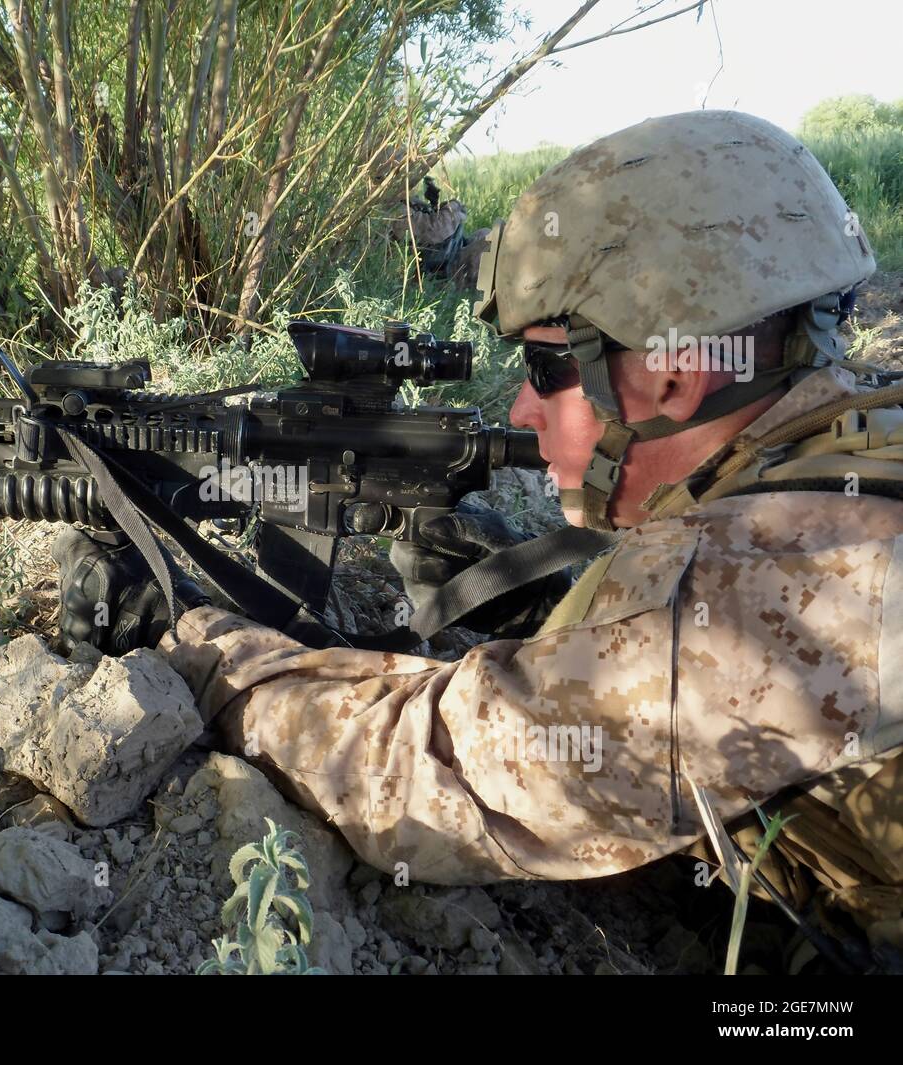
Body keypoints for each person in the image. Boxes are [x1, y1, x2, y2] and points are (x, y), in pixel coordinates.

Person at [54, 111, 903, 957]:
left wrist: (189, 636)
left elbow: (415, 773)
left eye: (546, 368)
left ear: (675, 370)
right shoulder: (865, 439)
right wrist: (538, 606)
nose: (521, 409)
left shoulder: (773, 585)